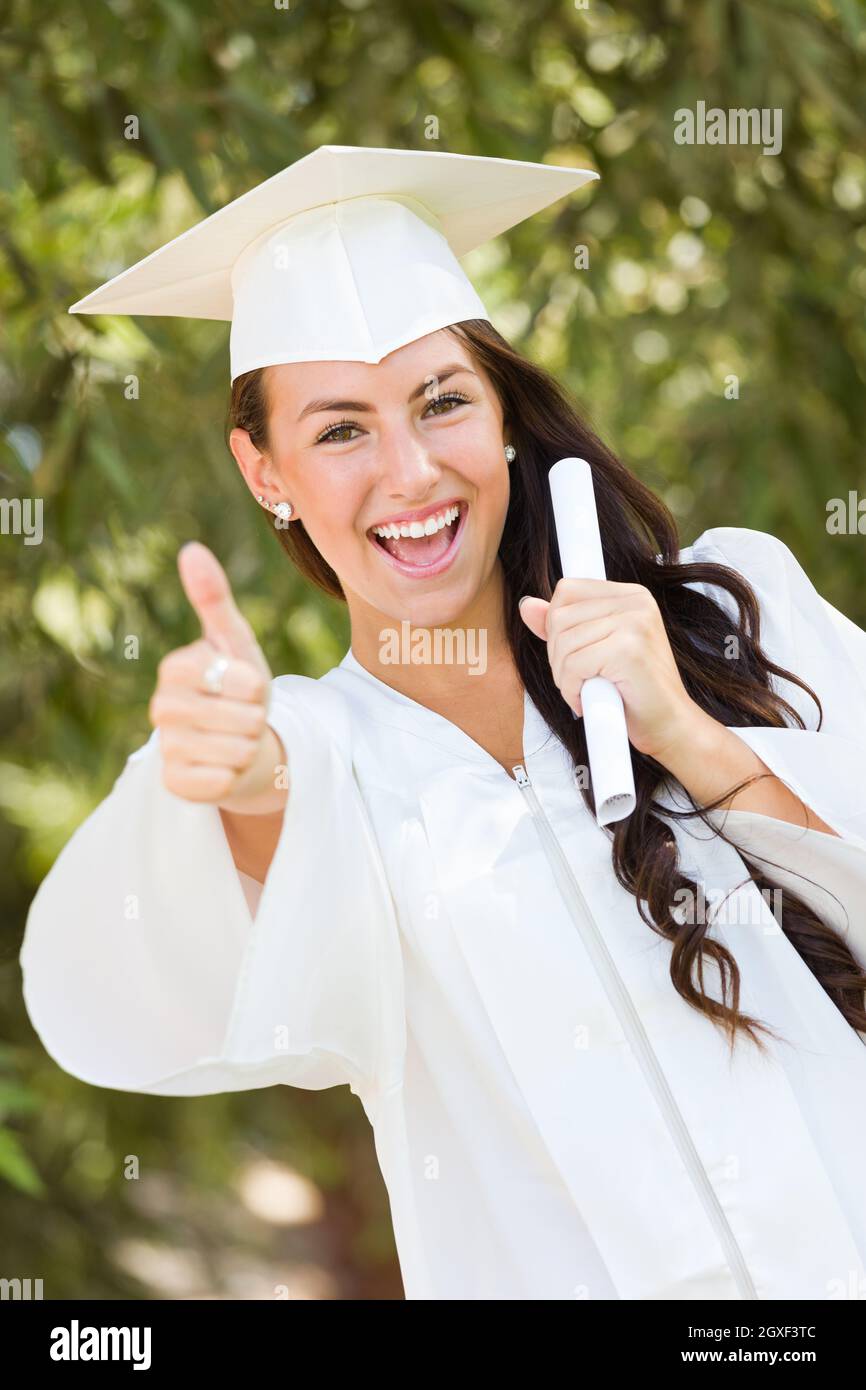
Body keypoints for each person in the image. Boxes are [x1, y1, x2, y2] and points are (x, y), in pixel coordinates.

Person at [20, 146, 866, 1301]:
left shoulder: (731, 611)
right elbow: (141, 994)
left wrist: (688, 736)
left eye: (442, 402)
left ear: (504, 416)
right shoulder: (327, 763)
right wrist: (233, 786)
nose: (410, 472)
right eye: (338, 431)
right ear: (261, 470)